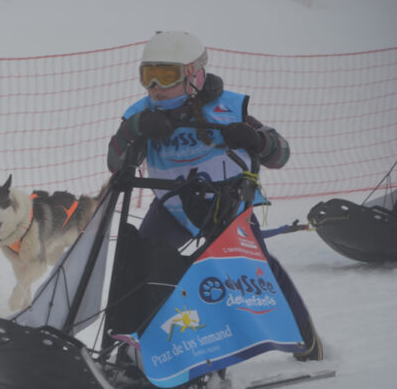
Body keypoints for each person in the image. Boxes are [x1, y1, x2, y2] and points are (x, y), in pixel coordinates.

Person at [107, 30, 322, 361]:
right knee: (140, 262)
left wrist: (255, 139)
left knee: (256, 273)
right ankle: (137, 348)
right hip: (171, 208)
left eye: (165, 76)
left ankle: (305, 339)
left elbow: (280, 155)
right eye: (147, 77)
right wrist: (133, 129)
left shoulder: (230, 108)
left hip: (227, 206)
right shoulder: (142, 113)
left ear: (193, 75)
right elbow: (116, 162)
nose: (155, 88)